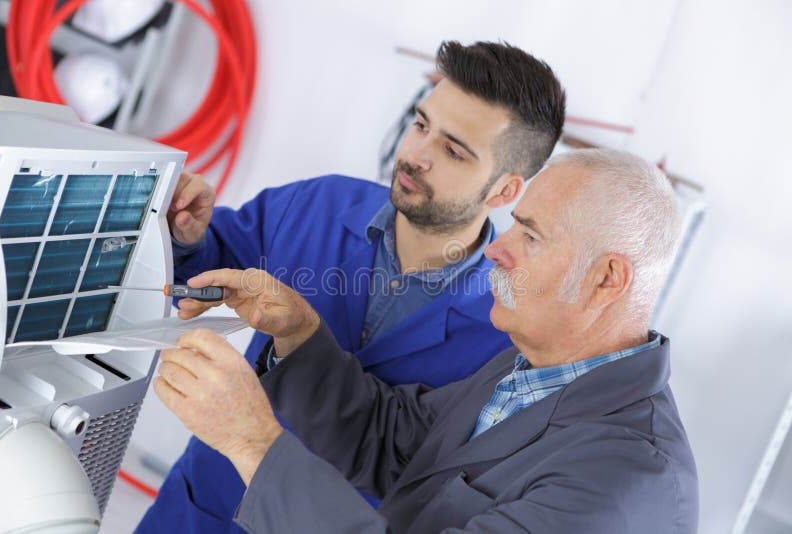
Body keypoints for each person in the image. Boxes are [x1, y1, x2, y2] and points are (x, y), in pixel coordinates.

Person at [137, 40, 567, 532]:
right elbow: (209, 272)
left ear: (505, 190)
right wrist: (187, 236)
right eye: (421, 124)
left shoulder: (503, 339)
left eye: (452, 150)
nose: (416, 155)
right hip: (200, 509)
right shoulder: (320, 201)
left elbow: (426, 475)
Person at [154, 148, 699, 533]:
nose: (496, 250)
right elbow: (393, 441)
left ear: (607, 279)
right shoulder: (525, 370)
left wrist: (252, 444)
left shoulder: (625, 479)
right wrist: (299, 332)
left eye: (530, 237)